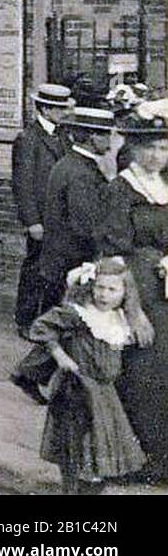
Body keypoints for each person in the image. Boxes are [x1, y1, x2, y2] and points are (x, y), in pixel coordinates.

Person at [25, 258, 146, 493]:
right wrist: (60, 355)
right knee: (75, 445)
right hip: (77, 388)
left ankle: (89, 489)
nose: (104, 295)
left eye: (112, 289)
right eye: (100, 287)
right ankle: (72, 489)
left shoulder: (118, 319)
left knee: (99, 445)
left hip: (103, 393)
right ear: (91, 285)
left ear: (124, 292)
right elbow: (42, 327)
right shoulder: (80, 314)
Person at [97, 100, 168, 481]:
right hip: (137, 288)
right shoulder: (121, 189)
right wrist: (134, 310)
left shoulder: (165, 185)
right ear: (136, 150)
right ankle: (136, 457)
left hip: (167, 287)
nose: (158, 155)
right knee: (142, 373)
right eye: (151, 147)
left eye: (164, 147)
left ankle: (163, 455)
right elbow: (114, 253)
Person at [35, 107, 116, 316]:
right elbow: (86, 223)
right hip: (72, 259)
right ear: (91, 137)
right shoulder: (82, 173)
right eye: (105, 134)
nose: (109, 139)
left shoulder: (70, 164)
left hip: (58, 258)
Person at [11, 84, 75, 336]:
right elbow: (22, 184)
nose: (63, 112)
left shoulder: (62, 135)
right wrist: (31, 221)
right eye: (59, 108)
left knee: (53, 270)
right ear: (46, 109)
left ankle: (47, 319)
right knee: (35, 269)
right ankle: (25, 320)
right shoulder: (28, 139)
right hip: (41, 218)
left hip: (59, 217)